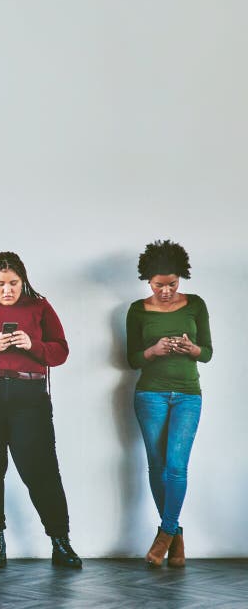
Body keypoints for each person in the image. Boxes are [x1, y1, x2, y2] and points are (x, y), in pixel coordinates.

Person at [0, 251, 82, 569]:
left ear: (24, 281)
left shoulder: (40, 306)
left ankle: (60, 542)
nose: (7, 290)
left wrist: (31, 344)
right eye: (1, 284)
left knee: (42, 472)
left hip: (28, 397)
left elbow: (60, 351)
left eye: (13, 283)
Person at [126, 240, 212, 568]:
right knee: (157, 466)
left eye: (172, 284)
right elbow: (132, 358)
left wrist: (192, 349)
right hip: (150, 394)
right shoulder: (137, 310)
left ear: (181, 279)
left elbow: (208, 352)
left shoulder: (196, 305)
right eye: (159, 285)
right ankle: (176, 537)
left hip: (188, 394)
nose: (166, 291)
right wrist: (153, 351)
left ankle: (165, 533)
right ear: (148, 280)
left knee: (177, 466)